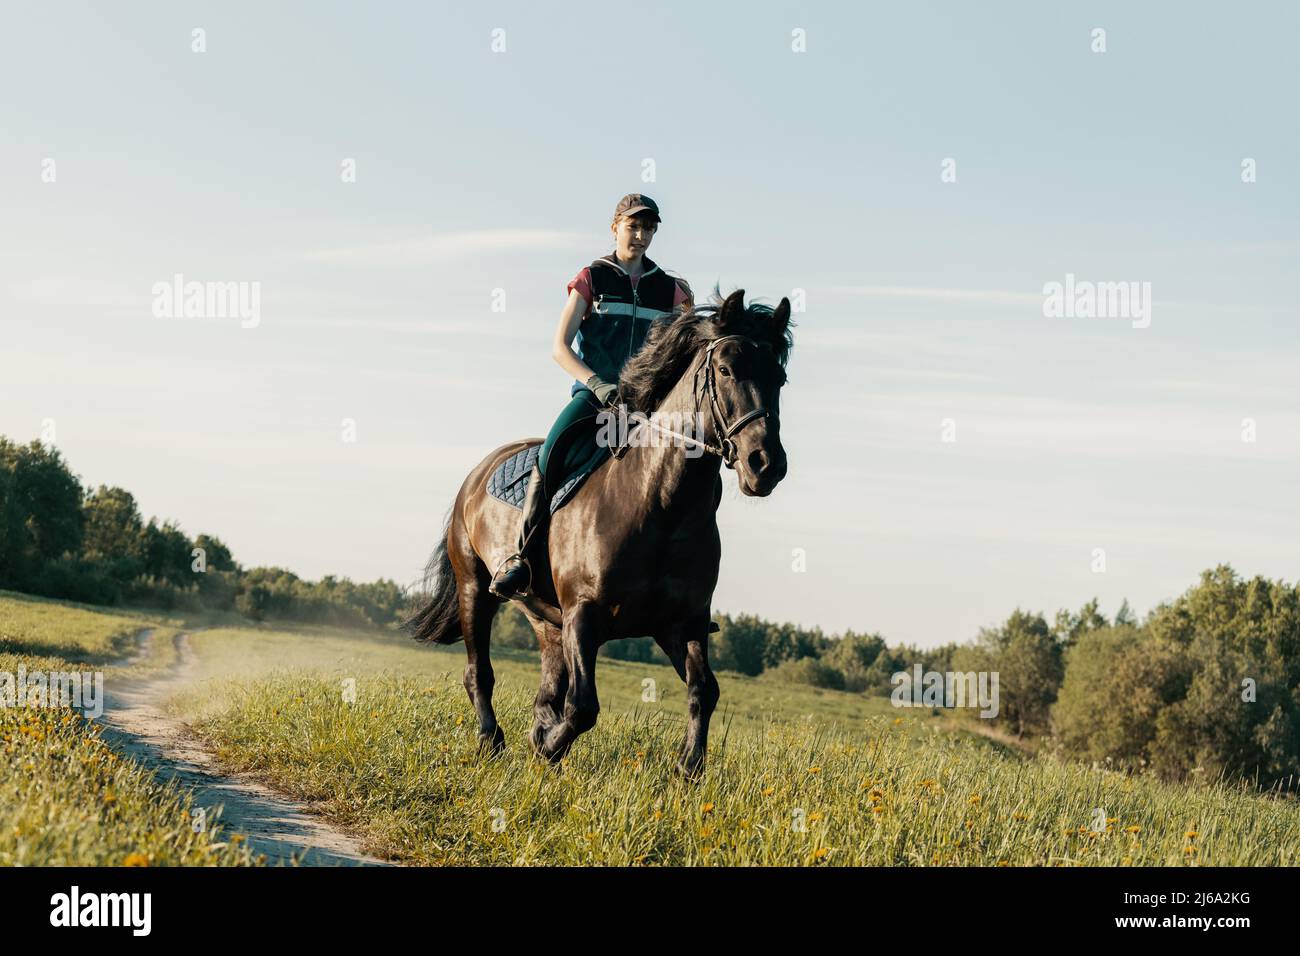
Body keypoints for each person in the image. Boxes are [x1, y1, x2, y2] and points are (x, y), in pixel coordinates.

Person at [489, 193, 693, 599]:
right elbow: (559, 347)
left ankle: (687, 584)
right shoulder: (590, 278)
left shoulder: (673, 291)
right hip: (596, 400)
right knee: (550, 454)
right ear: (615, 227)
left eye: (648, 228)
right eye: (632, 226)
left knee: (693, 466)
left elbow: (688, 354)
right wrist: (599, 384)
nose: (640, 235)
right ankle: (522, 559)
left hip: (649, 410)